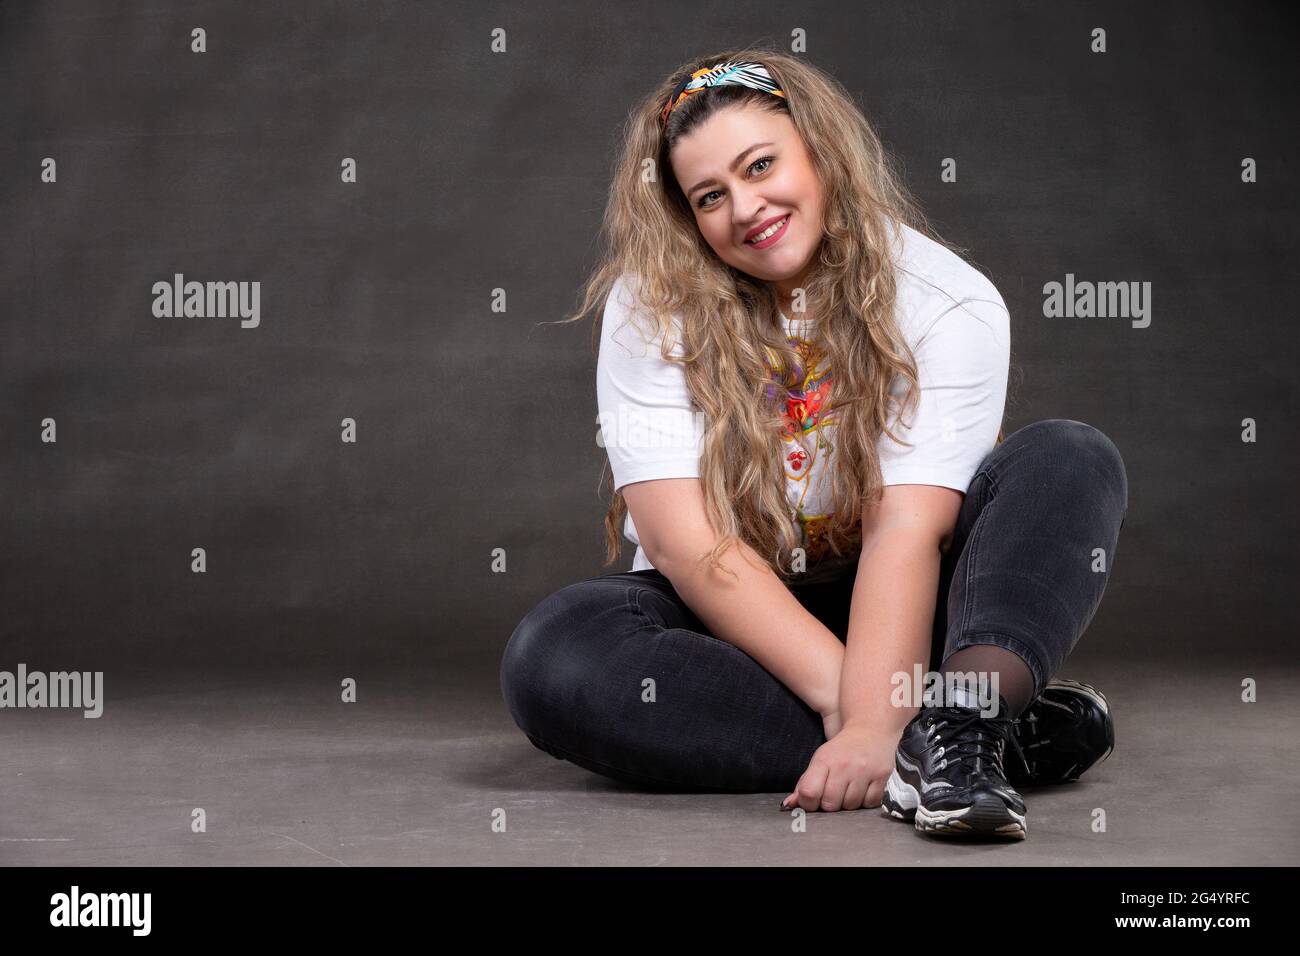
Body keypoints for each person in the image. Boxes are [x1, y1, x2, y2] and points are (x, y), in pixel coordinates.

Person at [500, 48, 1127, 840]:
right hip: (732, 616)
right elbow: (683, 543)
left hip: (907, 597)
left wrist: (874, 711)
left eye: (762, 165)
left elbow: (908, 527)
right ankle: (959, 736)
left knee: (1070, 456)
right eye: (710, 196)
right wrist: (860, 715)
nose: (745, 207)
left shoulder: (947, 301)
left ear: (820, 151)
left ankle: (956, 726)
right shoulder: (649, 306)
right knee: (555, 656)